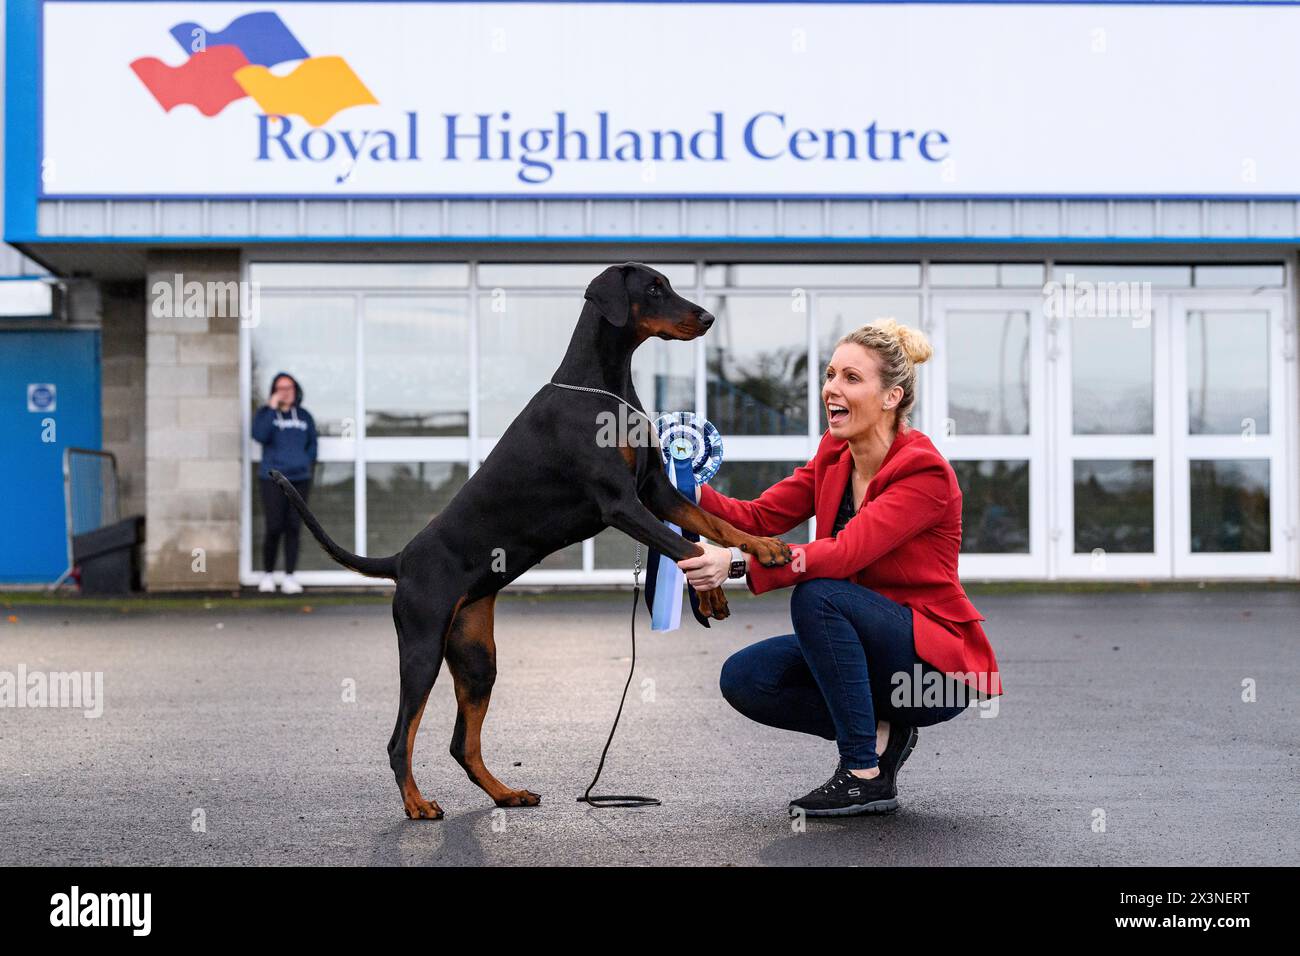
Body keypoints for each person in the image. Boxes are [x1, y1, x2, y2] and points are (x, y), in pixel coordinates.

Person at [677, 319, 1002, 817]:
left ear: (891, 396)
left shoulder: (923, 471)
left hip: (931, 667)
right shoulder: (836, 453)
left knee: (819, 592)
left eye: (851, 378)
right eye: (831, 374)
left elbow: (847, 552)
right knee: (747, 677)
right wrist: (684, 490)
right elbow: (761, 516)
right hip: (865, 646)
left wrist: (738, 563)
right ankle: (880, 733)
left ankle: (861, 773)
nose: (831, 387)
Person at [251, 371, 317, 595]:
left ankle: (289, 576)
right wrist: (270, 408)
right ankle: (268, 574)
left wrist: (305, 465)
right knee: (274, 526)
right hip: (272, 480)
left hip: (300, 478)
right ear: (274, 391)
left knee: (293, 527)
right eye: (280, 388)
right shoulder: (265, 414)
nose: (285, 392)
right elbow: (259, 435)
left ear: (295, 390)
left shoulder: (305, 416)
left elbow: (312, 445)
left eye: (288, 388)